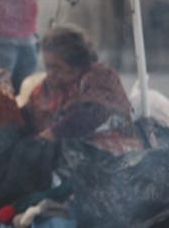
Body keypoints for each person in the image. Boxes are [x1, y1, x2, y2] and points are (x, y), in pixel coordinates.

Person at [23, 24, 143, 155]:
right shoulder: (47, 87)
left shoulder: (100, 76)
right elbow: (29, 115)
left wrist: (51, 134)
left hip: (110, 154)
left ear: (76, 64)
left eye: (57, 68)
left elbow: (92, 112)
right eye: (48, 67)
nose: (50, 73)